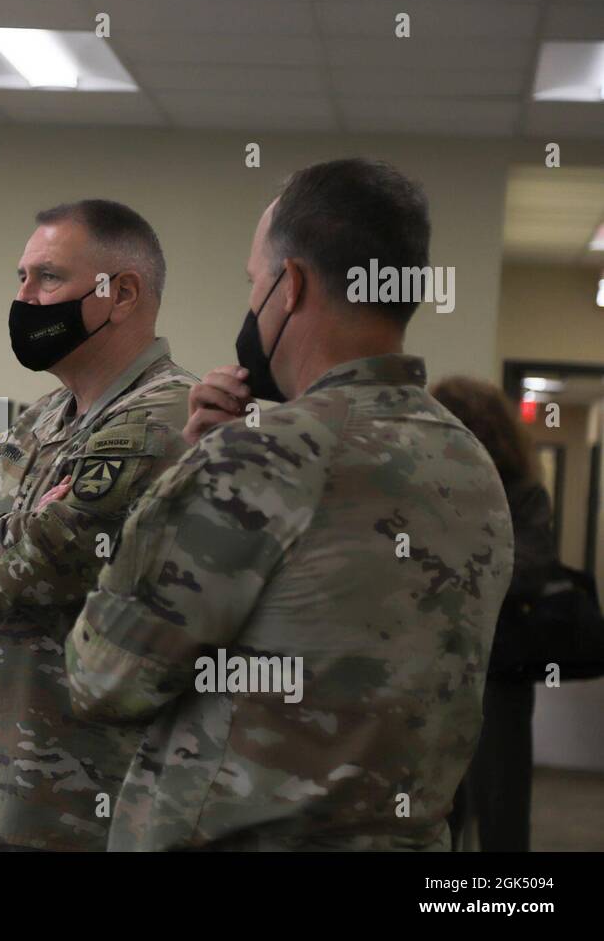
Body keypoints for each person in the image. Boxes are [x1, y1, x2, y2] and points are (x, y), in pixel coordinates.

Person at [66, 159, 515, 851]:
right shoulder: (470, 462)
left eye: (255, 283)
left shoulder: (259, 459)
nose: (252, 305)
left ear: (291, 285)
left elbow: (104, 678)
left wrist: (188, 483)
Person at [0, 199, 197, 851]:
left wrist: (3, 536)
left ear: (120, 294)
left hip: (91, 809)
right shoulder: (40, 417)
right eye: (21, 278)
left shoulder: (162, 419)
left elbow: (39, 565)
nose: (25, 299)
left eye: (47, 279)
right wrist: (15, 533)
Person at [432, 376, 555, 852]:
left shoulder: (521, 492)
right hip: (434, 668)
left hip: (497, 671)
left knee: (501, 805)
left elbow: (528, 571)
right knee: (437, 805)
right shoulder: (433, 484)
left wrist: (446, 567)